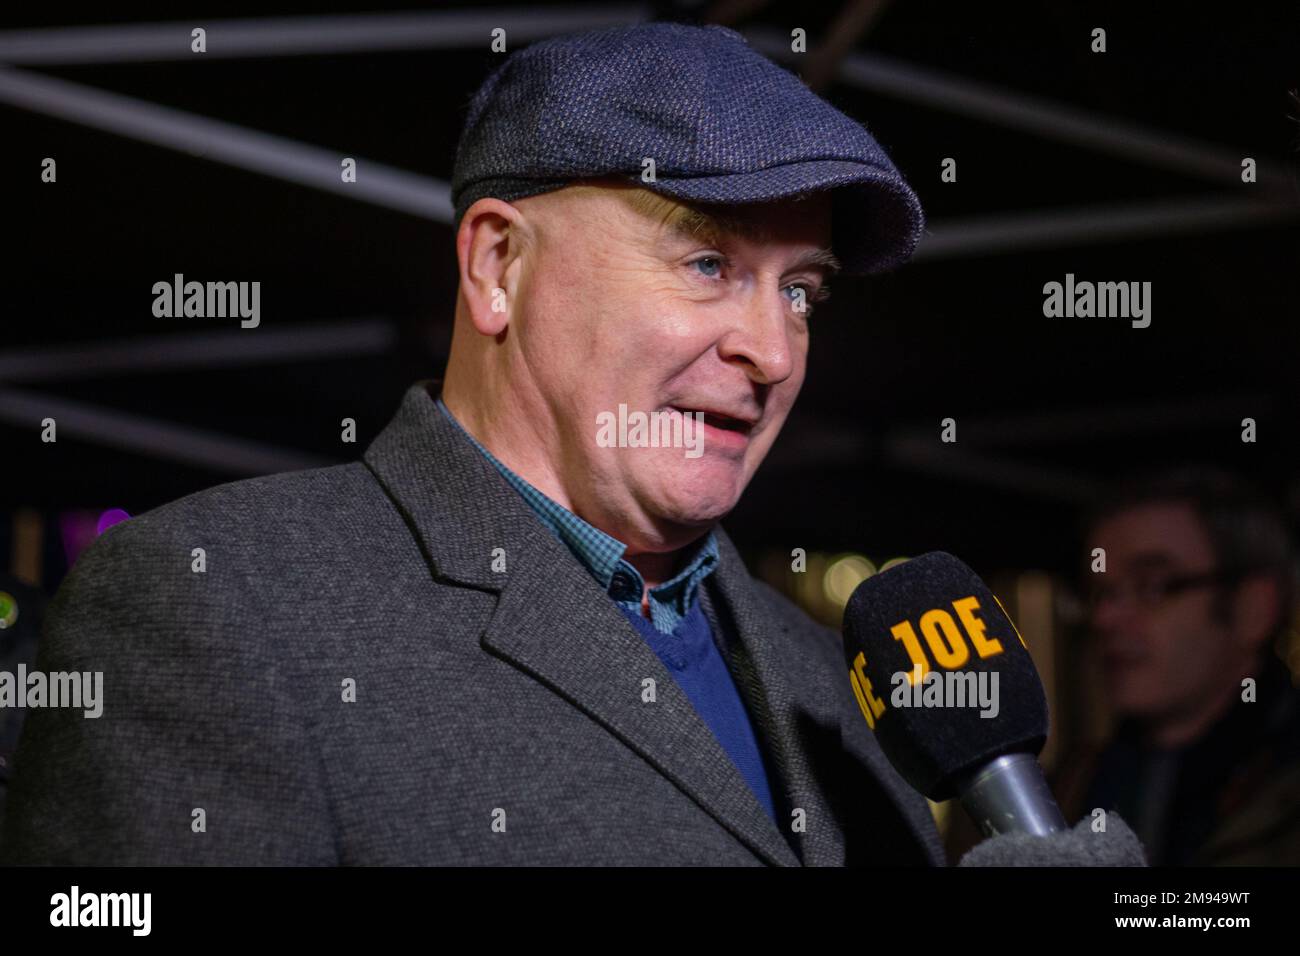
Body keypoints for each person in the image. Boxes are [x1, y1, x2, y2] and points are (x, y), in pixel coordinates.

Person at [2, 22, 1140, 866]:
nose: (773, 348)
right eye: (709, 264)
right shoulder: (225, 606)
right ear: (499, 267)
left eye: (803, 292)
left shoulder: (832, 685)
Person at [1056, 466, 1300, 864]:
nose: (1105, 618)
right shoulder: (1067, 787)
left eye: (1153, 587)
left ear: (1254, 607)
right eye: (1100, 593)